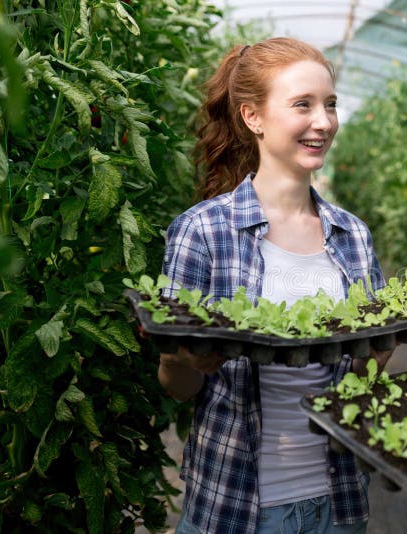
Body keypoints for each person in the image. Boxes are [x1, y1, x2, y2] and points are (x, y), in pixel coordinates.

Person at [158, 38, 385, 534]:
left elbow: (364, 376)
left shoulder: (353, 236)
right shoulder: (203, 232)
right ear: (253, 117)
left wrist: (376, 353)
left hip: (338, 501)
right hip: (237, 506)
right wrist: (182, 358)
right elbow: (177, 387)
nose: (323, 122)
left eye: (330, 104)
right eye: (302, 104)